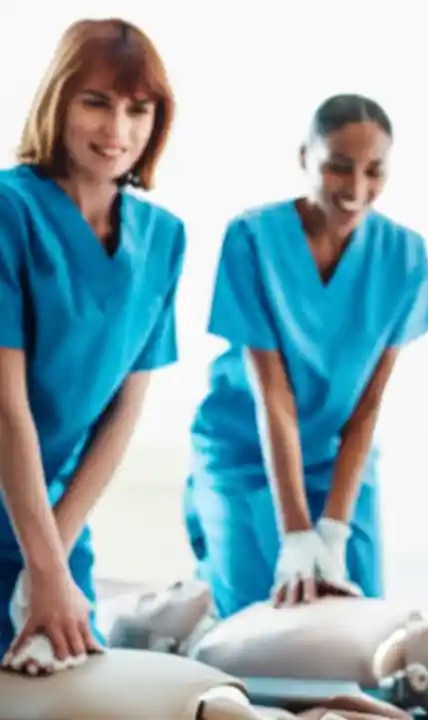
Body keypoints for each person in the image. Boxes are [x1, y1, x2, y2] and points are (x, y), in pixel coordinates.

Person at [184, 93, 428, 619]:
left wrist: (334, 528)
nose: (356, 190)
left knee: (356, 631)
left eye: (375, 171)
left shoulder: (405, 256)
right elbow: (272, 398)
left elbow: (368, 405)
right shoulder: (252, 238)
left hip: (339, 459)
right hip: (246, 454)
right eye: (338, 168)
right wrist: (299, 533)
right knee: (254, 628)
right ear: (305, 158)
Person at [0, 18, 182, 675]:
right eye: (96, 102)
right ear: (58, 100)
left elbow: (123, 411)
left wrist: (51, 556)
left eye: (139, 109)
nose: (118, 131)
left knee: (75, 685)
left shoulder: (164, 238)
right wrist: (41, 566)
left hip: (55, 515)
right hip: (19, 496)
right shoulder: (8, 210)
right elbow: (6, 408)